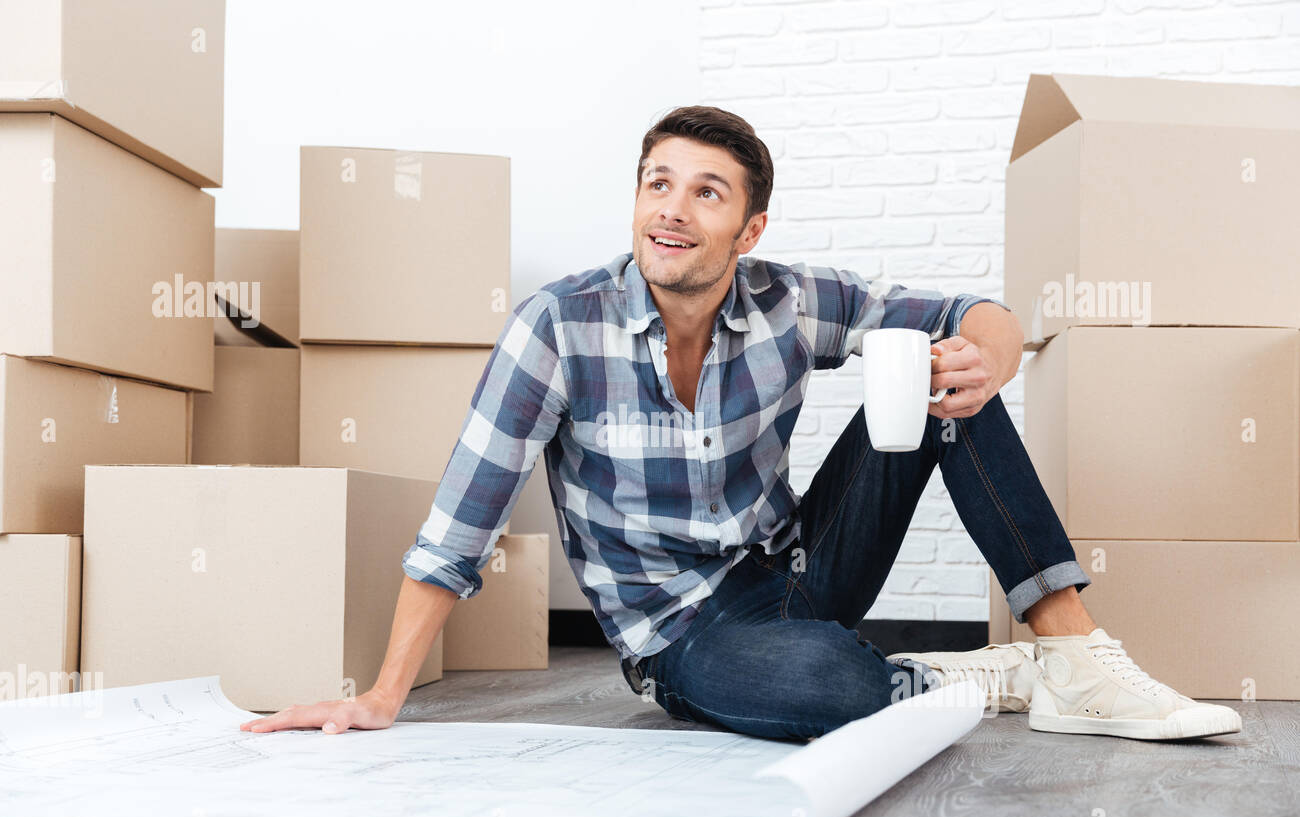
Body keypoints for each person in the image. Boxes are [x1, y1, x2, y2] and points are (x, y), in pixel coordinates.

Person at [241, 105, 1240, 743]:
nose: (671, 212)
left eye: (705, 192)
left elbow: (965, 312)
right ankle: (966, 677)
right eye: (657, 184)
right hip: (682, 634)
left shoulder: (788, 298)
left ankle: (1073, 653)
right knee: (822, 693)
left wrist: (999, 348)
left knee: (942, 374)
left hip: (800, 569)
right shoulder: (557, 327)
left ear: (749, 228)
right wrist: (380, 692)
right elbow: (462, 520)